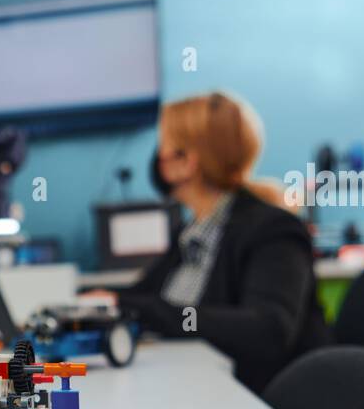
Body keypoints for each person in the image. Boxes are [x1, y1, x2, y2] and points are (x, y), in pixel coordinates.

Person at [115, 92, 328, 393]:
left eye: (163, 143)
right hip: (198, 388)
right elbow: (143, 295)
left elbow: (268, 330)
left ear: (187, 163)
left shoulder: (274, 229)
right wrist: (97, 303)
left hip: (260, 403)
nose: (157, 155)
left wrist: (142, 309)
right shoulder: (193, 232)